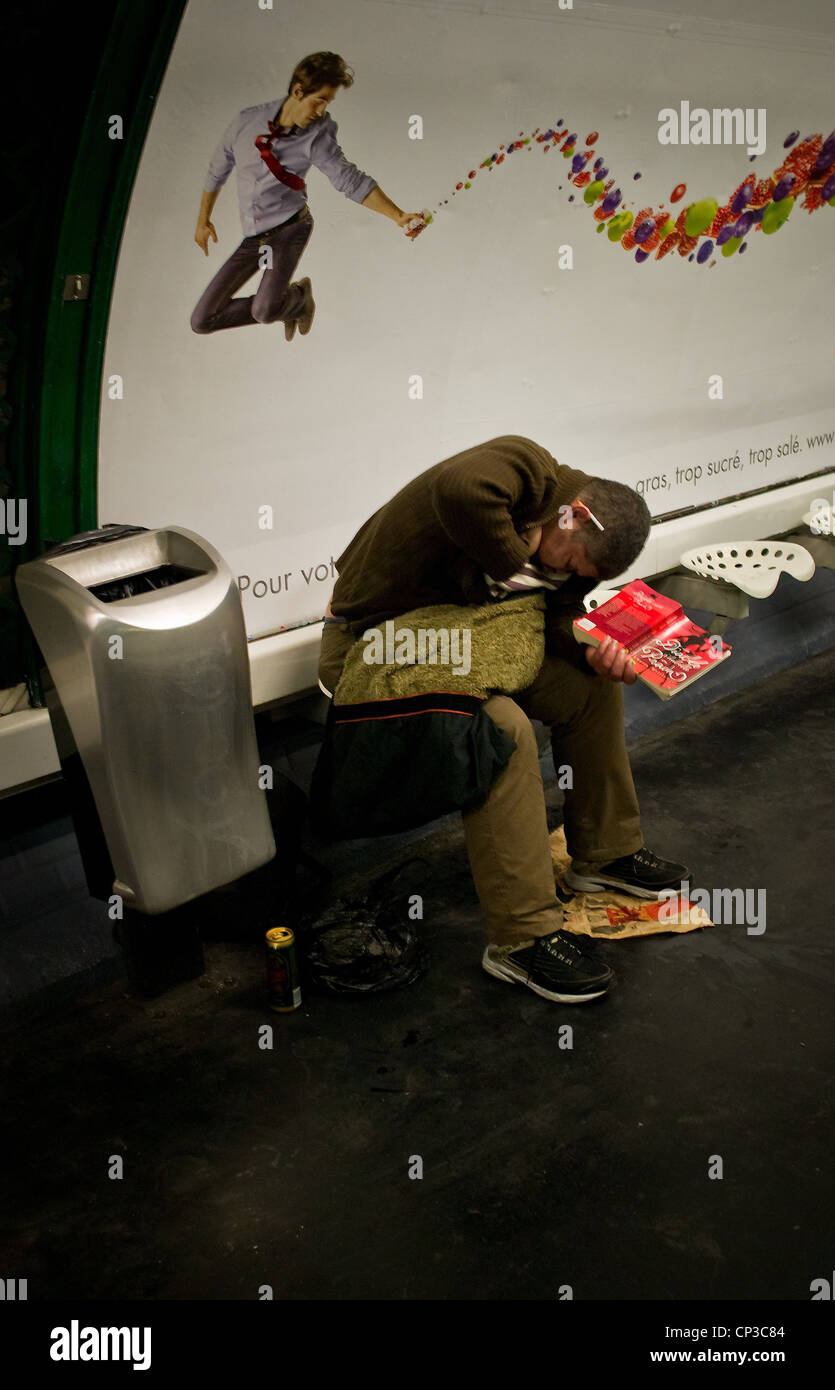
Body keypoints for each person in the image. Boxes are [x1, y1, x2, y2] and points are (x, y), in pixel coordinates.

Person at [317, 435, 689, 1006]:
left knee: (591, 692)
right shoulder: (524, 468)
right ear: (573, 514)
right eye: (565, 559)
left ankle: (605, 853)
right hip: (382, 637)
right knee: (502, 729)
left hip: (489, 632)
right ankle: (521, 940)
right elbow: (459, 489)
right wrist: (517, 556)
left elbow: (555, 615)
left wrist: (593, 651)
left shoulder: (577, 556)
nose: (559, 571)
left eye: (576, 572)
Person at [191, 51, 418, 338]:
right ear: (298, 91)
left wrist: (397, 215)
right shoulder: (246, 122)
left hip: (290, 228)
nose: (321, 110)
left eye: (328, 102)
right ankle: (289, 304)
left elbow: (349, 179)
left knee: (264, 311)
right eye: (319, 100)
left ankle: (298, 298)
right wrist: (203, 220)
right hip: (254, 237)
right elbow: (217, 169)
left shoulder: (318, 133)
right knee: (202, 320)